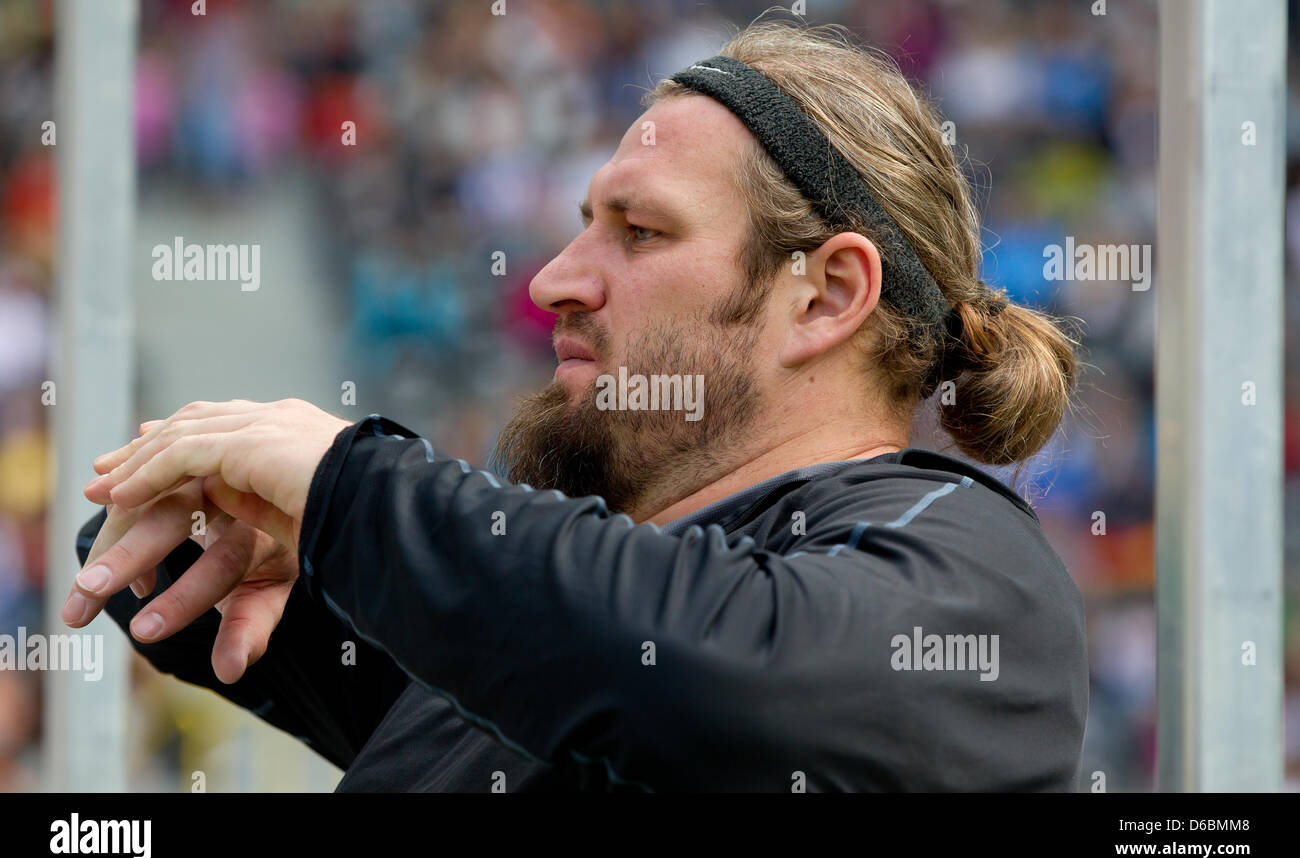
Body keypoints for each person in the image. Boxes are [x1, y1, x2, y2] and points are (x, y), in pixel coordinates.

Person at [66, 21, 1086, 792]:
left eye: (637, 231)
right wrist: (204, 530)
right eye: (579, 225)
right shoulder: (586, 648)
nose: (555, 279)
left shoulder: (968, 572)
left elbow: (723, 678)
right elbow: (541, 654)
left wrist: (354, 493)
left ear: (822, 296)